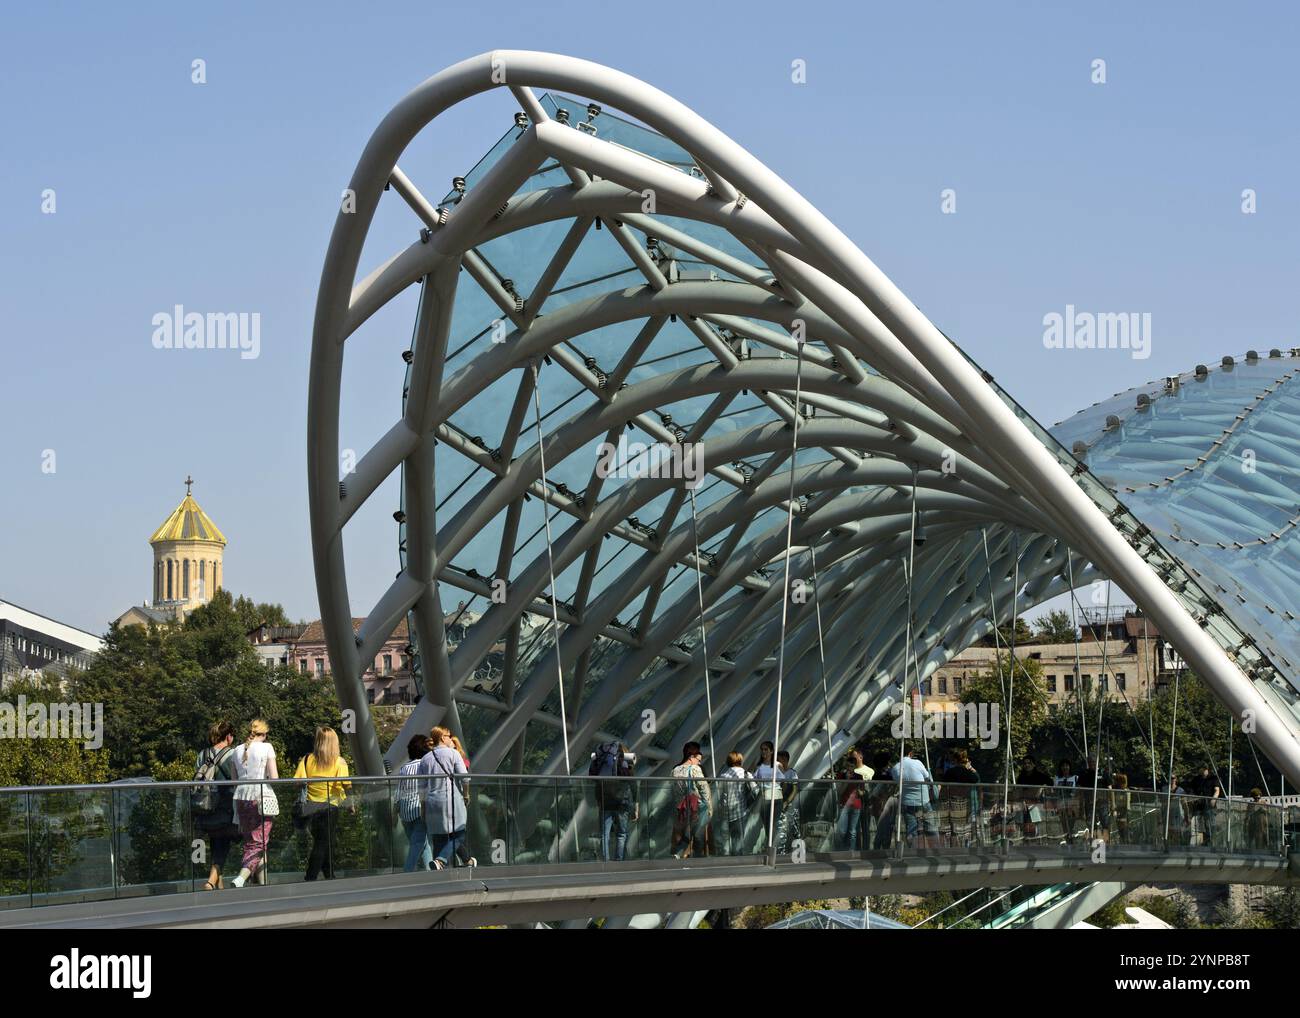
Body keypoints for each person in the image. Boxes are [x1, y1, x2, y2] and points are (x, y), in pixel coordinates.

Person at [295, 726, 351, 880]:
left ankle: (329, 873)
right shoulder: (339, 762)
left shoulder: (307, 759)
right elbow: (345, 784)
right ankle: (310, 876)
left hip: (310, 806)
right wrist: (351, 803)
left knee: (326, 840)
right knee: (323, 842)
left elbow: (298, 782)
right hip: (330, 806)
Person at [230, 718, 278, 887]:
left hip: (241, 799)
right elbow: (274, 778)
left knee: (251, 841)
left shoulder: (236, 750)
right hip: (261, 798)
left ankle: (263, 884)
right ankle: (241, 877)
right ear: (264, 734)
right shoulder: (267, 747)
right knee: (259, 842)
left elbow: (233, 781)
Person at [419, 726, 475, 869]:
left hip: (432, 802)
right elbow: (465, 778)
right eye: (449, 736)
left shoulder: (425, 759)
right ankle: (441, 860)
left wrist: (423, 808)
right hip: (451, 800)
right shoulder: (453, 754)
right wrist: (466, 795)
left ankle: (465, 861)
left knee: (440, 838)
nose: (450, 738)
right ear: (443, 737)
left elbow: (422, 787)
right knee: (459, 834)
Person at [193, 720, 238, 890]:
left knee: (215, 842)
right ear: (228, 736)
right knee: (224, 843)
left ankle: (219, 887)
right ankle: (211, 882)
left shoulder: (202, 754)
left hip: (203, 806)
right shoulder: (232, 754)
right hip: (225, 806)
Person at [592, 742, 638, 861]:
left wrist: (599, 800)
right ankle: (619, 860)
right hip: (622, 802)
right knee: (621, 834)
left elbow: (596, 781)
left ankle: (606, 862)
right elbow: (633, 784)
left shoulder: (604, 762)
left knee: (604, 834)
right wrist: (635, 805)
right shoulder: (625, 762)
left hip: (605, 801)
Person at [397, 733, 433, 872]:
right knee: (418, 843)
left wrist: (396, 810)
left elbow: (399, 791)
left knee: (423, 843)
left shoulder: (404, 768)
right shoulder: (425, 765)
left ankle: (432, 872)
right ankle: (407, 872)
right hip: (420, 809)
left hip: (405, 811)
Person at [888, 747, 937, 847]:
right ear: (910, 753)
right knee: (931, 828)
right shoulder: (917, 763)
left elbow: (896, 783)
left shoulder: (895, 768)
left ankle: (913, 853)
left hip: (907, 802)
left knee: (912, 831)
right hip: (923, 800)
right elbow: (927, 776)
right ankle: (936, 850)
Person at [670, 741, 711, 858]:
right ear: (691, 756)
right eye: (697, 758)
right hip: (697, 806)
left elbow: (673, 790)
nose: (699, 761)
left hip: (682, 807)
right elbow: (704, 789)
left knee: (688, 832)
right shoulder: (695, 769)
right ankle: (697, 860)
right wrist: (709, 806)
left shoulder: (675, 770)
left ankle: (679, 853)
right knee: (698, 835)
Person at [717, 750, 754, 855]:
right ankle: (738, 858)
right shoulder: (746, 774)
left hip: (725, 811)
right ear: (740, 760)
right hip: (740, 810)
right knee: (738, 837)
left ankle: (726, 858)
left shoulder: (724, 776)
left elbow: (719, 794)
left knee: (725, 838)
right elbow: (755, 789)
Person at [834, 749, 873, 850]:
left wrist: (860, 792)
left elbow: (863, 791)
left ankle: (851, 852)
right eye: (847, 766)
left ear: (855, 767)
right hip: (844, 805)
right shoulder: (841, 775)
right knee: (842, 831)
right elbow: (838, 792)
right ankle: (841, 850)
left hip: (856, 805)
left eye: (851, 766)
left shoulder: (858, 776)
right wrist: (846, 781)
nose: (849, 769)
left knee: (853, 831)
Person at [754, 741, 784, 852]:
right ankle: (770, 847)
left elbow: (784, 781)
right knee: (767, 824)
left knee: (773, 824)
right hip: (764, 797)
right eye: (762, 749)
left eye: (766, 749)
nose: (763, 751)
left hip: (776, 797)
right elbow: (754, 780)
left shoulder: (777, 765)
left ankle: (774, 849)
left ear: (771, 751)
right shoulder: (759, 766)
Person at [1188, 765, 1222, 846]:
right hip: (1198, 805)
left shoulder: (1213, 778)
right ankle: (1196, 842)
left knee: (1209, 824)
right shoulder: (1196, 779)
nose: (1201, 771)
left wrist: (1214, 799)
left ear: (1206, 769)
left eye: (1203, 769)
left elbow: (1217, 790)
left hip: (1209, 805)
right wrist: (1192, 799)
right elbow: (1191, 790)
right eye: (1200, 770)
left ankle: (1211, 842)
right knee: (1196, 824)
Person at [776, 750, 801, 853]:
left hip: (789, 806)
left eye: (779, 760)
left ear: (785, 760)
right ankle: (781, 853)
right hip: (781, 805)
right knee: (782, 829)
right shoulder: (777, 773)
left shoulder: (792, 773)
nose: (777, 762)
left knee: (795, 829)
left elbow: (794, 790)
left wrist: (787, 802)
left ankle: (799, 850)